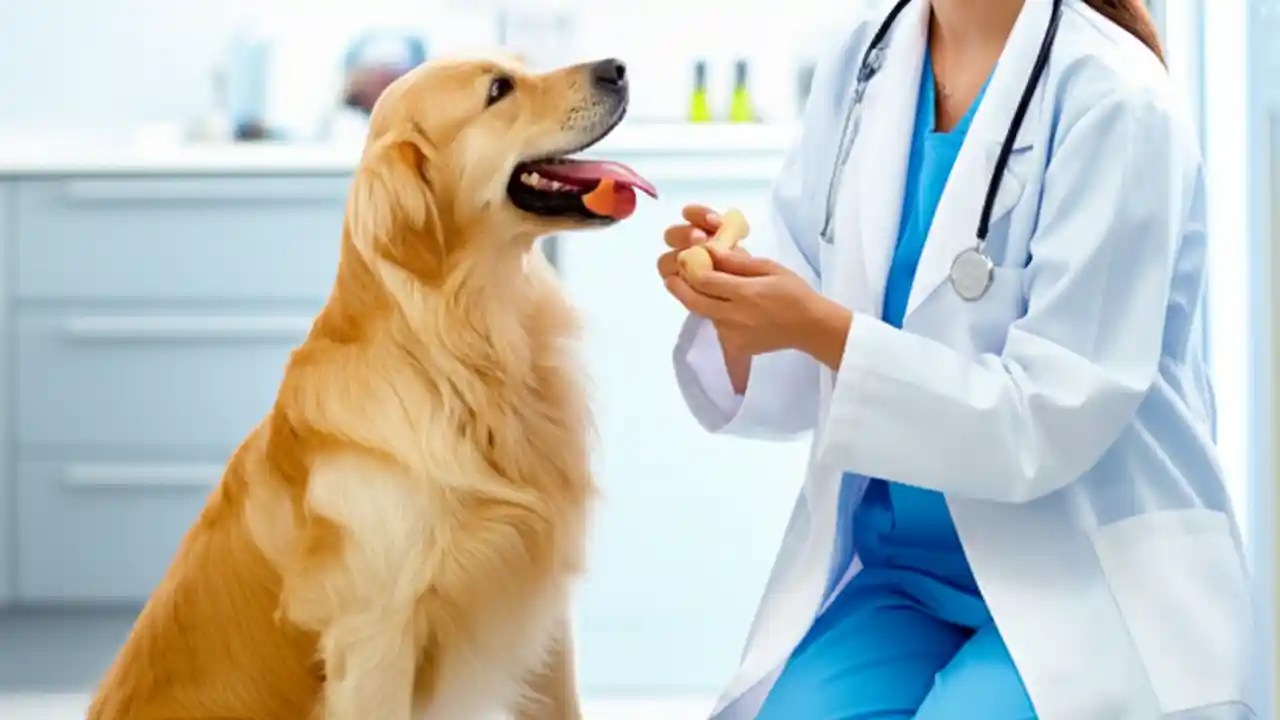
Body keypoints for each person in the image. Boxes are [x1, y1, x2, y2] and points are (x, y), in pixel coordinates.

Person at [659, 0, 1254, 718]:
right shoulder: (864, 63)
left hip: (1083, 571)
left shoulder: (1116, 101)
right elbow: (808, 299)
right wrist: (738, 304)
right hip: (905, 572)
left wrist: (816, 326)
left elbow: (1046, 420)